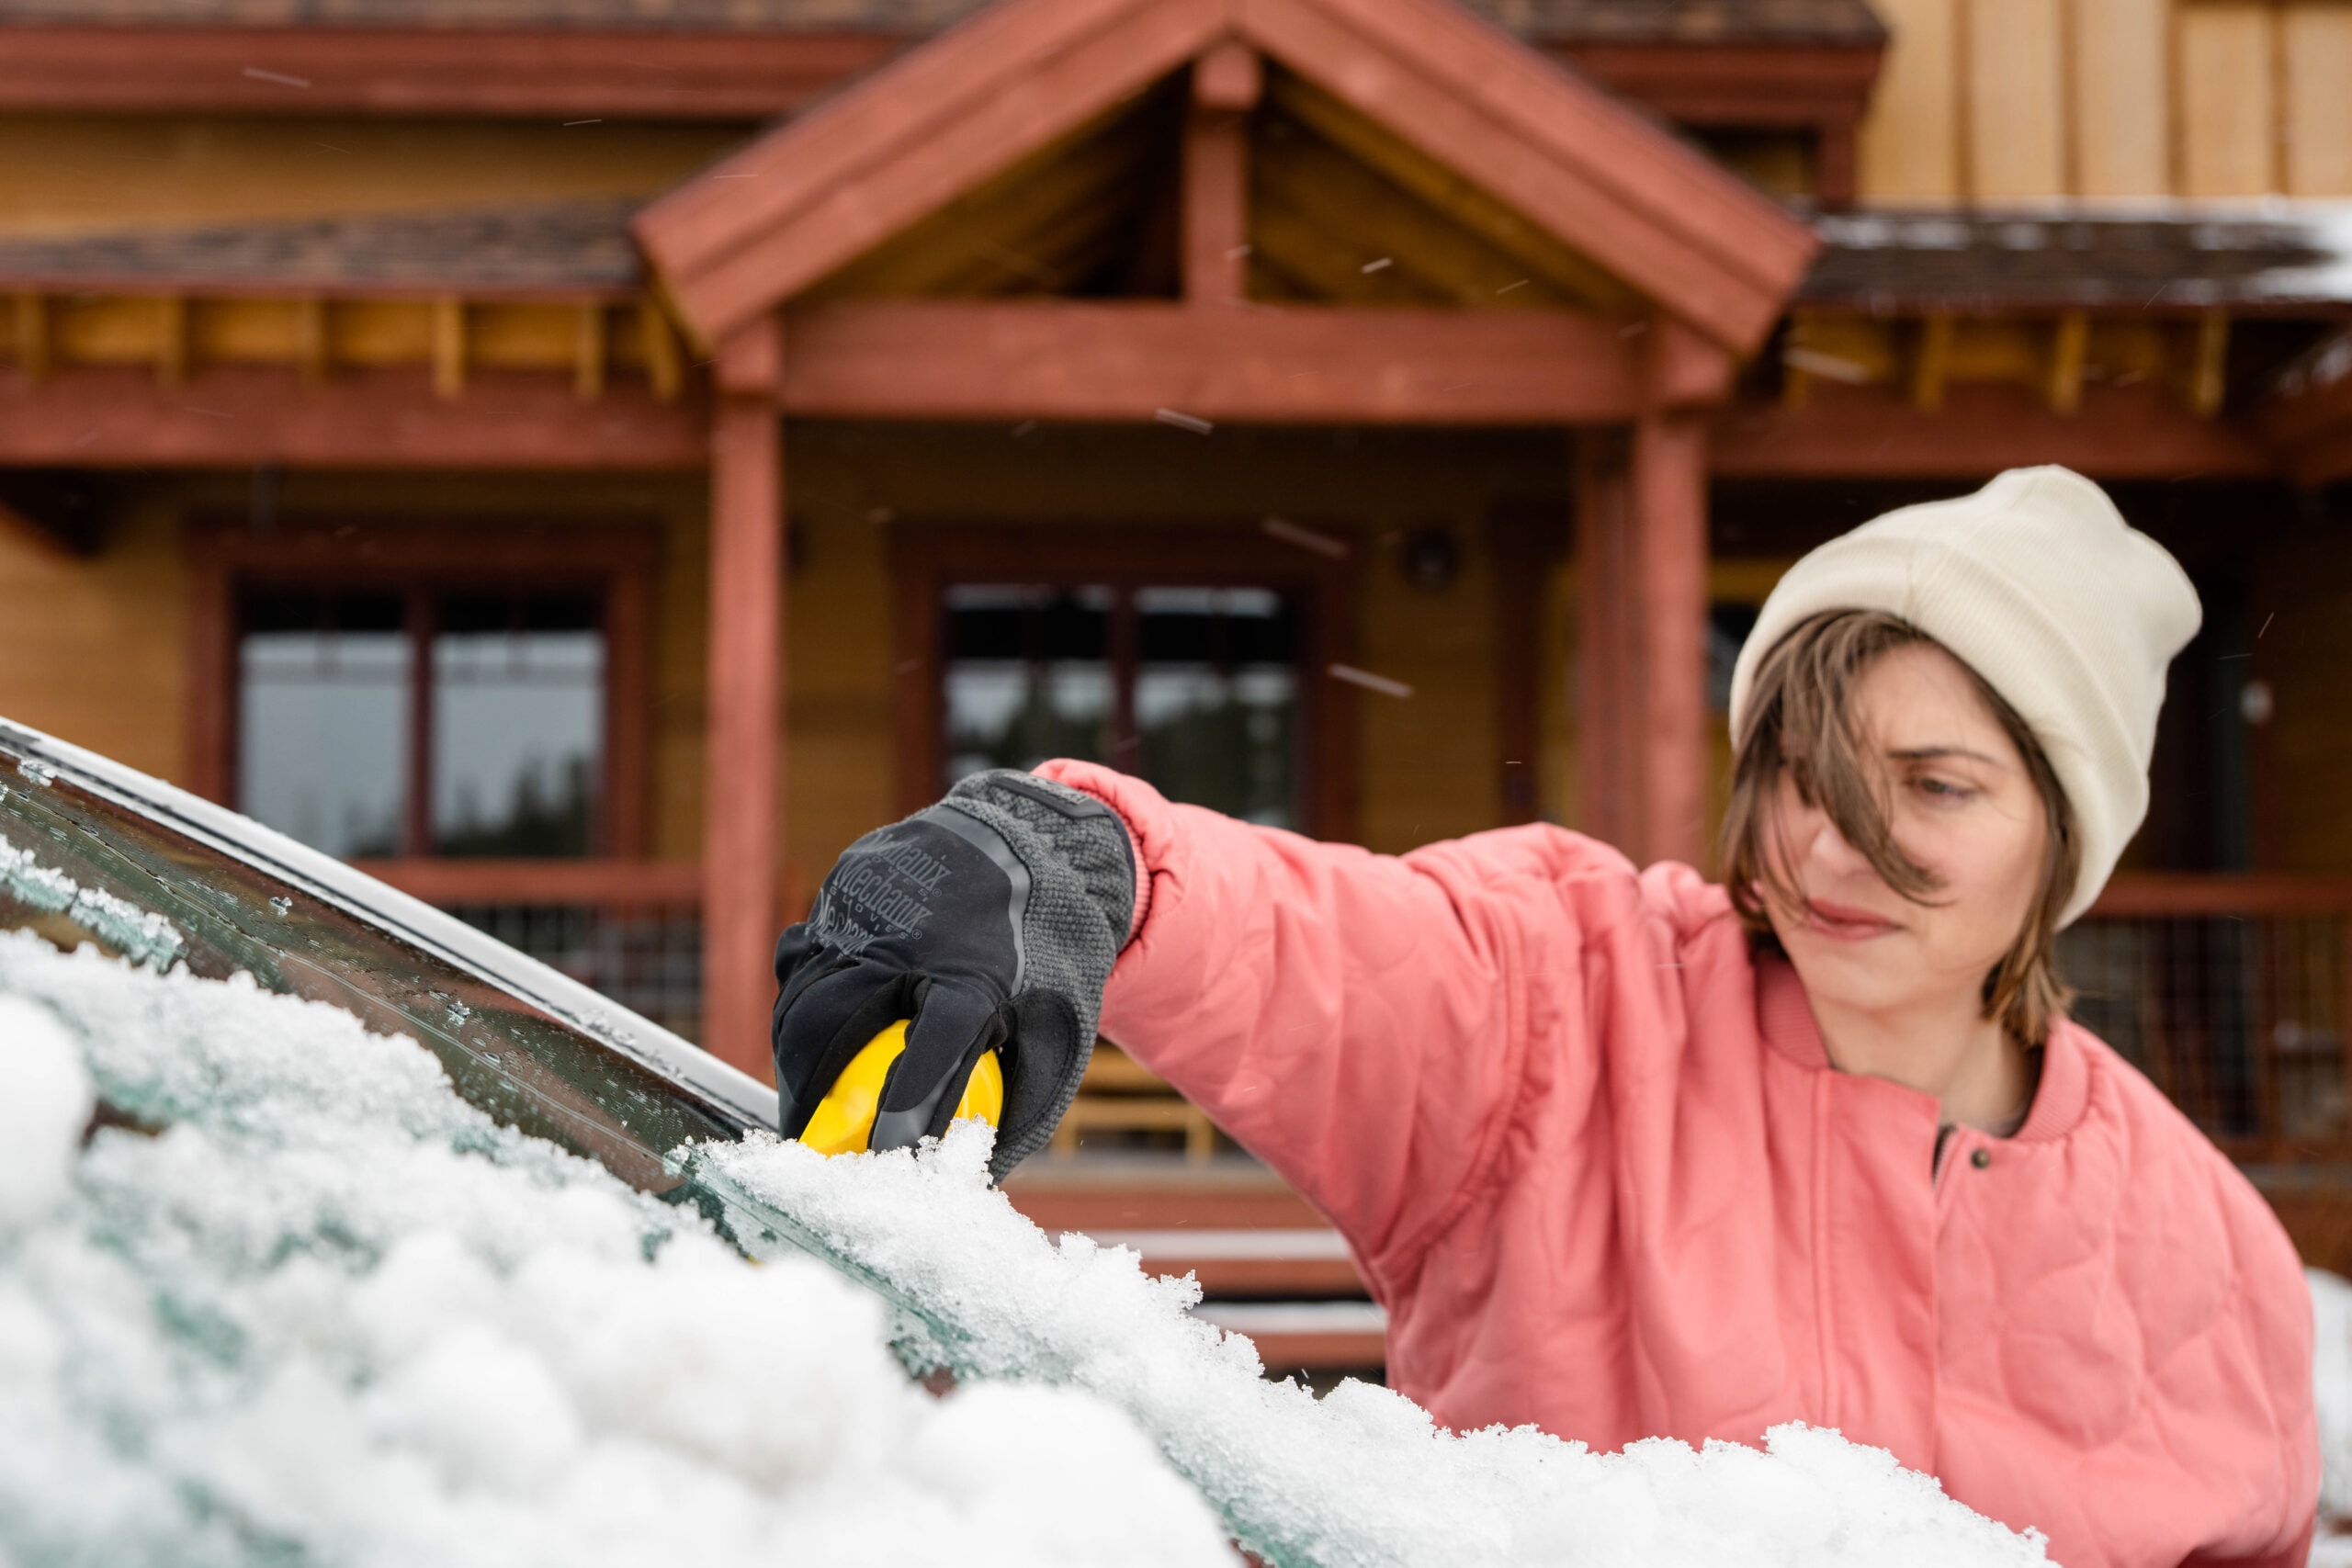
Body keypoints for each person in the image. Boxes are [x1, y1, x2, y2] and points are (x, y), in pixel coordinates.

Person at [771, 467, 2316, 1568]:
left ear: (2068, 830)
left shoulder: (2205, 1248)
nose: (1834, 849)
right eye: (1803, 774)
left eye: (1935, 787)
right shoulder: (1571, 1004)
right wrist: (1090, 865)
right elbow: (1340, 950)